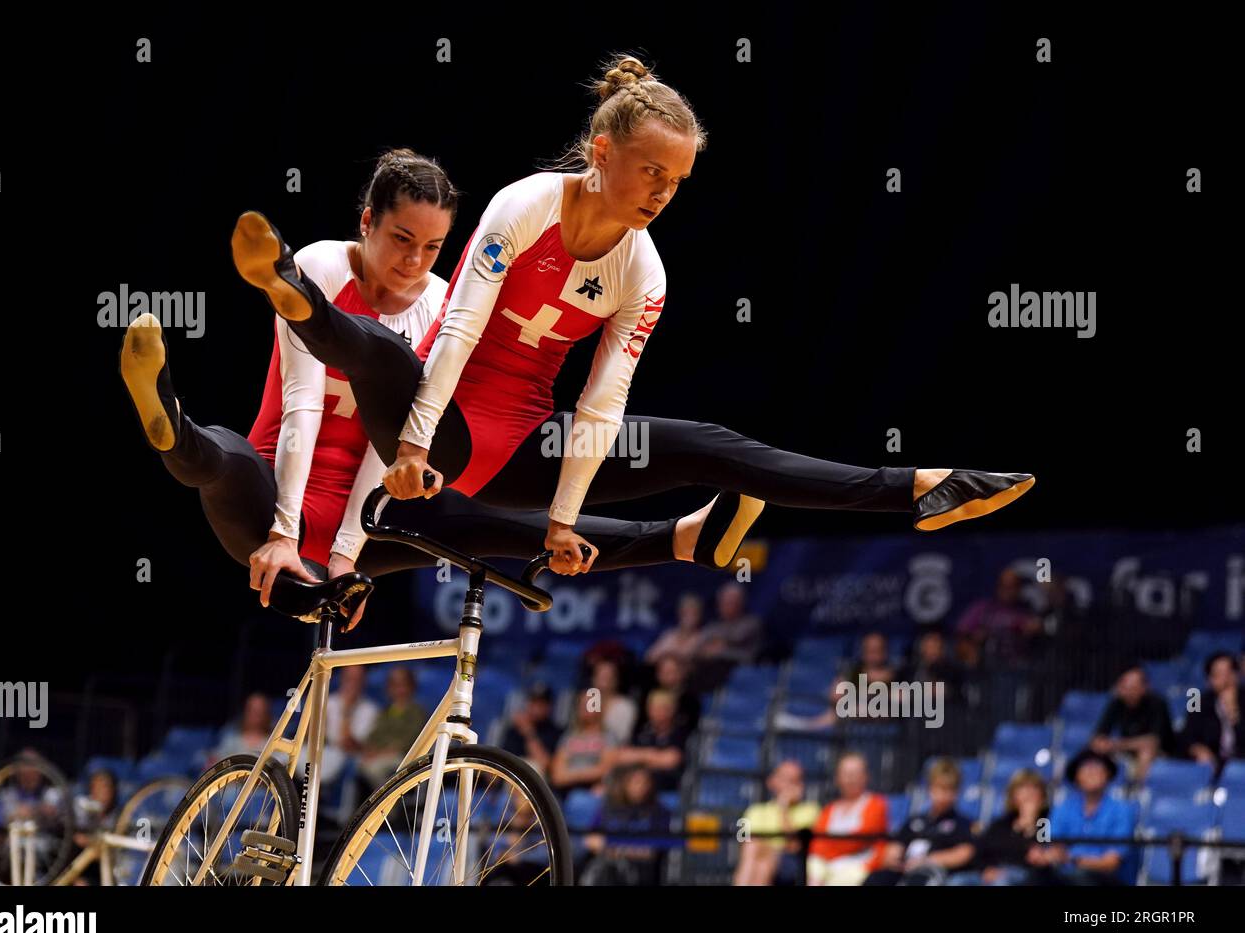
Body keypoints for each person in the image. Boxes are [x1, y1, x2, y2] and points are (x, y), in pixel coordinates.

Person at [232, 56, 1035, 578]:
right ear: (603, 151)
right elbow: (463, 329)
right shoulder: (525, 205)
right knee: (377, 353)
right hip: (434, 419)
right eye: (651, 169)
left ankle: (918, 487)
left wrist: (562, 518)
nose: (661, 191)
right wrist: (411, 446)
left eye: (677, 180)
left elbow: (601, 405)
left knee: (710, 446)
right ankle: (293, 289)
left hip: (521, 447)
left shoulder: (643, 272)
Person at [121, 150, 764, 633]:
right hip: (271, 503)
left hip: (372, 519)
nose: (413, 262)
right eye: (401, 240)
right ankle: (168, 416)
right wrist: (288, 535)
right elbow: (302, 406)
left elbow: (398, 441)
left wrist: (345, 557)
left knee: (508, 522)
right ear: (367, 222)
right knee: (219, 459)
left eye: (432, 248)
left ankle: (684, 537)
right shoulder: (320, 263)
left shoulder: (440, 304)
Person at [1033, 749, 1137, 885]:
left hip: (1105, 879)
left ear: (1108, 775)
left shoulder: (1122, 810)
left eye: (1097, 768)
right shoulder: (1063, 807)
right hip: (1065, 874)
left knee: (1079, 878)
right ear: (1076, 777)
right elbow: (1051, 843)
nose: (1091, 773)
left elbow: (1111, 863)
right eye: (1085, 769)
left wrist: (1072, 860)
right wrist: (1051, 854)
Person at [865, 758, 974, 885]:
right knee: (877, 878)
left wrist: (928, 860)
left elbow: (965, 852)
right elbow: (896, 844)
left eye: (948, 790)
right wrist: (892, 854)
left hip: (934, 873)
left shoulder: (961, 823)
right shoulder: (915, 821)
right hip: (904, 869)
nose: (943, 795)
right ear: (930, 789)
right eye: (939, 788)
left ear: (956, 793)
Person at [948, 769, 1052, 886]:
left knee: (1002, 882)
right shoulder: (1001, 824)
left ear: (1042, 795)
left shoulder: (1045, 821)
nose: (1028, 793)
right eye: (1022, 788)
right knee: (958, 881)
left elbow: (1041, 849)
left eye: (1033, 788)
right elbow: (980, 850)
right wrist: (985, 869)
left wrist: (1029, 821)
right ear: (1013, 795)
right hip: (993, 871)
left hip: (1024, 875)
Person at [806, 752, 889, 886]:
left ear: (865, 777)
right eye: (846, 774)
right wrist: (830, 851)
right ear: (837, 778)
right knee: (812, 866)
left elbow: (856, 841)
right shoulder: (830, 809)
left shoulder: (876, 804)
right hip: (826, 864)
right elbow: (816, 843)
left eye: (855, 773)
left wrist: (829, 849)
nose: (850, 779)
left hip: (858, 865)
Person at [733, 760, 820, 886]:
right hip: (758, 859)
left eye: (794, 780)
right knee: (761, 863)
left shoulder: (811, 810)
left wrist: (783, 808)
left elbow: (794, 846)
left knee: (762, 856)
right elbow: (742, 839)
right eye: (785, 779)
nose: (789, 785)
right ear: (773, 781)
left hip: (790, 862)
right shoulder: (753, 810)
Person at [581, 765, 670, 886]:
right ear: (625, 783)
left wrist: (614, 847)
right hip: (607, 868)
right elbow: (591, 840)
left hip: (641, 872)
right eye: (636, 782)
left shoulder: (659, 811)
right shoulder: (609, 808)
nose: (642, 787)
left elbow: (651, 850)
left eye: (646, 782)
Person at [1090, 666, 1177, 781]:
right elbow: (1099, 734)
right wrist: (1100, 743)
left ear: (1144, 687)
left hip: (1161, 752)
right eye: (1124, 688)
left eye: (1133, 688)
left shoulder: (1158, 703)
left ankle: (1137, 790)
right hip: (1126, 748)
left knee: (1146, 752)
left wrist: (1116, 744)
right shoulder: (1116, 703)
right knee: (1096, 749)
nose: (1128, 692)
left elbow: (1152, 741)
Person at [358, 666, 428, 788]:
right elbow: (373, 736)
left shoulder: (417, 712)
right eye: (394, 685)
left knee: (372, 770)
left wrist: (384, 752)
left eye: (402, 684)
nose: (398, 689)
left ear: (411, 686)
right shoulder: (385, 712)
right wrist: (371, 750)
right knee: (355, 766)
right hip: (380, 756)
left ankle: (388, 805)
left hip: (404, 758)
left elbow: (410, 740)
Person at [1181, 652, 1243, 772]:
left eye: (1229, 673)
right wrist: (1196, 748)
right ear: (1209, 680)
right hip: (1210, 762)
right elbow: (1187, 736)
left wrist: (1233, 710)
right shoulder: (1197, 700)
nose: (1225, 679)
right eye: (1218, 674)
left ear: (1237, 675)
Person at [500, 684, 563, 776]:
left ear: (549, 707)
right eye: (533, 702)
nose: (536, 708)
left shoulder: (555, 732)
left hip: (537, 785)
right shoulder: (514, 730)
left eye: (541, 704)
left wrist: (528, 732)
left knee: (530, 767)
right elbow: (502, 760)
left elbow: (546, 765)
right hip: (507, 779)